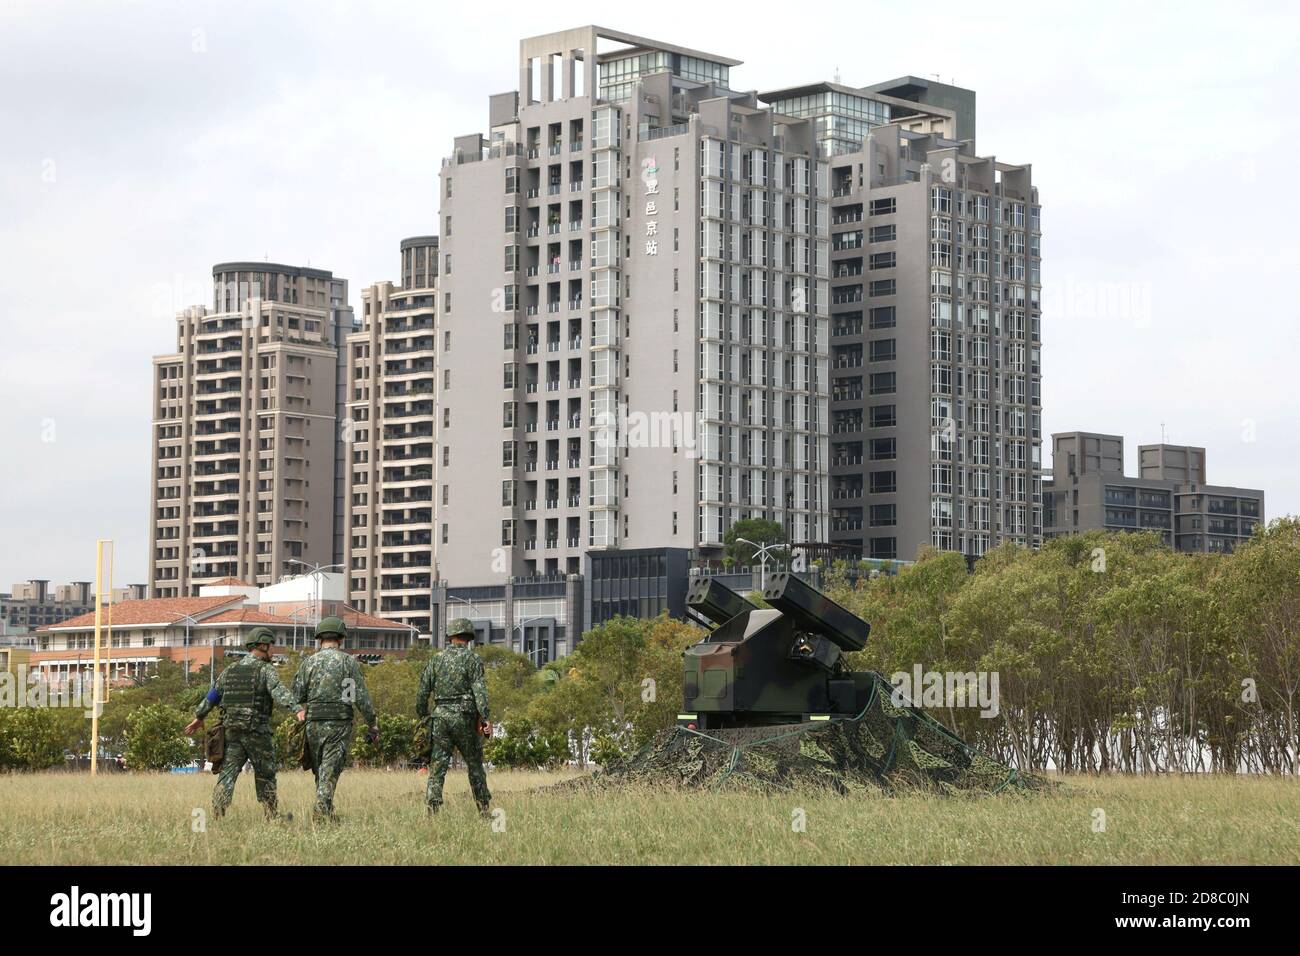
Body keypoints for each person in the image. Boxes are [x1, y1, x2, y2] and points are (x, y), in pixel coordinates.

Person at [185, 627, 303, 820]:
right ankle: (271, 816)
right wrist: (297, 708)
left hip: (232, 731)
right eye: (271, 645)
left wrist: (199, 717)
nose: (273, 650)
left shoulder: (230, 670)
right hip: (257, 732)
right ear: (263, 645)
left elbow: (213, 695)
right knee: (265, 774)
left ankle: (217, 814)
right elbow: (278, 690)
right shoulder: (265, 669)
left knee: (227, 774)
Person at [291, 616, 378, 822]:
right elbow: (358, 696)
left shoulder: (308, 663)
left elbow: (297, 694)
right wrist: (372, 723)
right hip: (338, 723)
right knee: (330, 770)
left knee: (321, 770)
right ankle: (321, 813)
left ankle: (327, 813)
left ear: (319, 639)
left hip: (313, 723)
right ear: (341, 638)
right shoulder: (348, 662)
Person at [416, 618, 492, 817]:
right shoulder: (473, 659)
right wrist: (485, 718)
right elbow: (480, 692)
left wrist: (424, 717)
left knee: (437, 768)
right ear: (469, 637)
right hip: (465, 719)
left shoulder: (436, 660)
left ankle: (431, 812)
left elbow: (422, 693)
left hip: (440, 718)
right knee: (474, 766)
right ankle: (484, 810)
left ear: (450, 636)